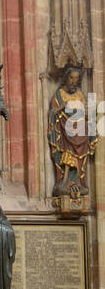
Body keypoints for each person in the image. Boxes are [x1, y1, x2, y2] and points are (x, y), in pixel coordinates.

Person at [47, 64, 95, 199]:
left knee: (78, 160)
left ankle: (78, 182)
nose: (73, 81)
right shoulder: (59, 93)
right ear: (66, 78)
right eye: (71, 78)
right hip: (65, 133)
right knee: (66, 158)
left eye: (76, 79)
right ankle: (63, 182)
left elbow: (88, 114)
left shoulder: (80, 94)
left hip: (80, 134)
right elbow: (53, 113)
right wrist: (64, 107)